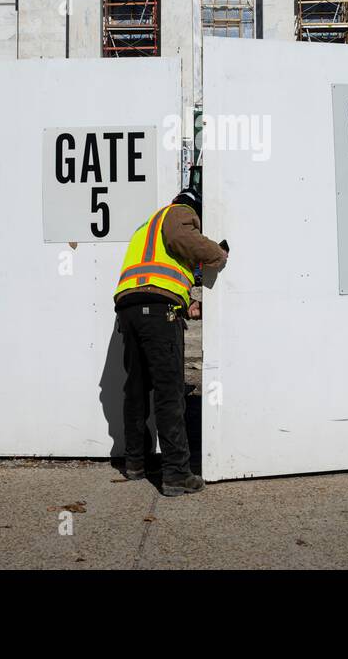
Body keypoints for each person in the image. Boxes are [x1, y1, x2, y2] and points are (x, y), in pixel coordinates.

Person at [114, 184, 227, 496]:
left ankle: (135, 462)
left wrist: (185, 302)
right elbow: (183, 239)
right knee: (169, 390)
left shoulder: (146, 226)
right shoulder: (180, 213)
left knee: (136, 386)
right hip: (156, 311)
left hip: (131, 307)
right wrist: (217, 254)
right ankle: (176, 473)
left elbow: (159, 270)